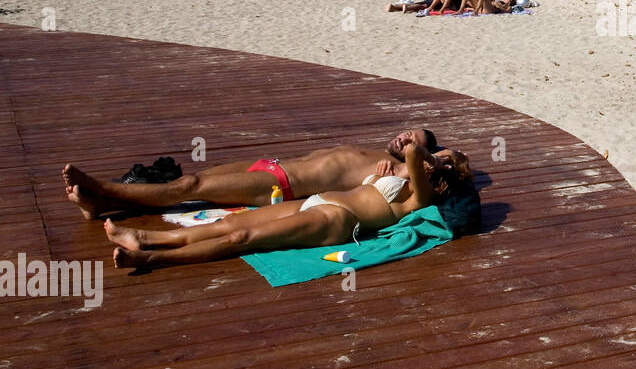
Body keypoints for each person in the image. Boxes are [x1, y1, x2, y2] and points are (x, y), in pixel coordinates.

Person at [106, 143, 472, 270]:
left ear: (445, 174)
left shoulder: (421, 195)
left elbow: (413, 151)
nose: (439, 158)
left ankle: (151, 258)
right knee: (228, 225)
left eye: (445, 159)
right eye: (441, 154)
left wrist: (433, 160)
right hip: (314, 202)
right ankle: (145, 237)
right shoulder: (395, 175)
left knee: (241, 238)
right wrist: (377, 175)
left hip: (338, 219)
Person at [64, 129, 440, 217]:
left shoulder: (399, 169)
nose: (405, 138)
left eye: (414, 141)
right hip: (270, 164)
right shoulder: (375, 152)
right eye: (408, 131)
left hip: (280, 184)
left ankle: (103, 188)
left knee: (189, 186)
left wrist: (401, 170)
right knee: (193, 187)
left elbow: (427, 178)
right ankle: (101, 206)